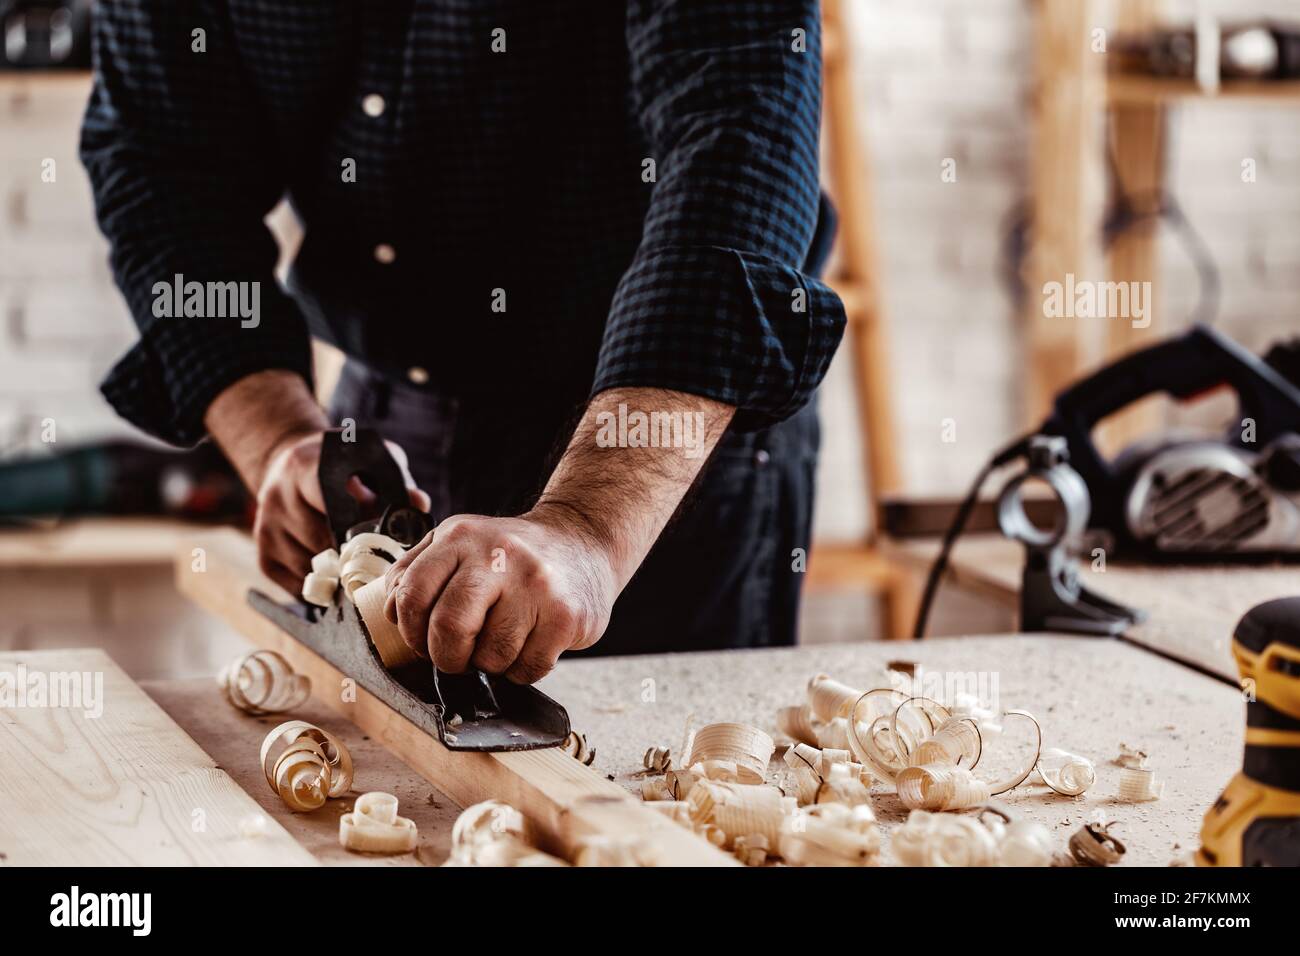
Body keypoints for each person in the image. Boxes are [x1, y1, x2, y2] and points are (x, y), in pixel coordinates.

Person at [81, 0, 845, 683]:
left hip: (651, 439)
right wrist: (278, 437)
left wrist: (585, 531)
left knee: (667, 804)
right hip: (385, 412)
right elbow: (162, 171)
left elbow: (738, 147)